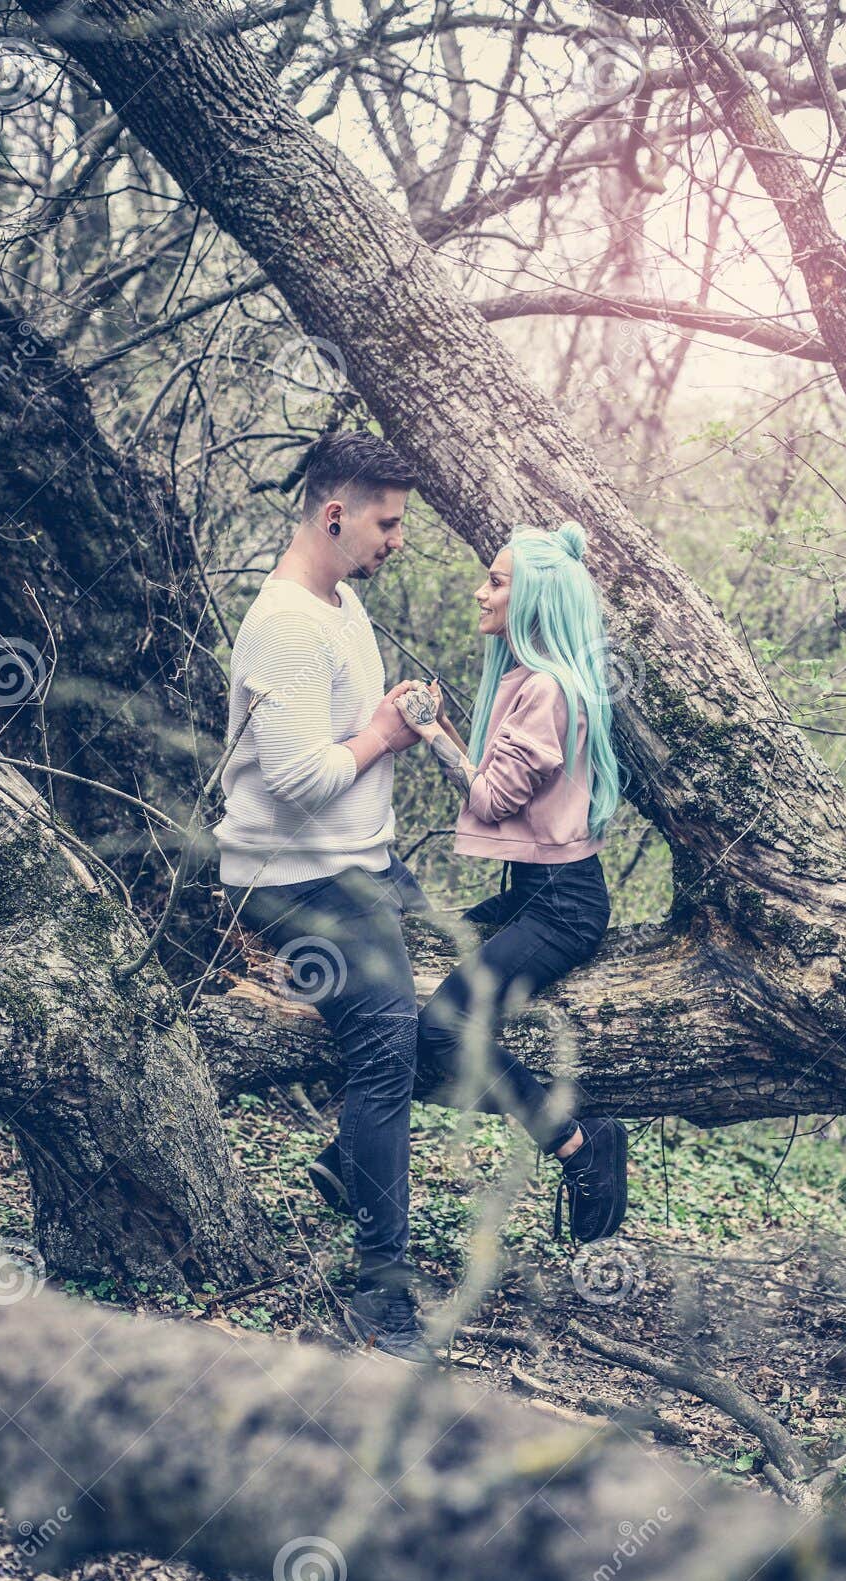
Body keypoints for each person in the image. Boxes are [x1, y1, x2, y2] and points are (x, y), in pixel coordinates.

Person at [214, 429, 438, 1365]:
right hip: (297, 884)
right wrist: (385, 732)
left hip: (360, 866)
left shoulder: (340, 603)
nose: (395, 540)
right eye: (386, 523)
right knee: (386, 1057)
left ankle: (348, 1167)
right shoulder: (286, 624)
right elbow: (302, 777)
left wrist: (395, 713)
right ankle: (382, 1305)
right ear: (333, 513)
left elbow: (348, 729)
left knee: (441, 1019)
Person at [404, 519, 628, 1245]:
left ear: (531, 601)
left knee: (443, 1028)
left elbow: (492, 798)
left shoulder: (545, 690)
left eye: (495, 583)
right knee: (422, 978)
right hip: (536, 891)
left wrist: (429, 731)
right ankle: (350, 1157)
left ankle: (574, 1144)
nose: (481, 591)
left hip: (561, 905)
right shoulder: (531, 682)